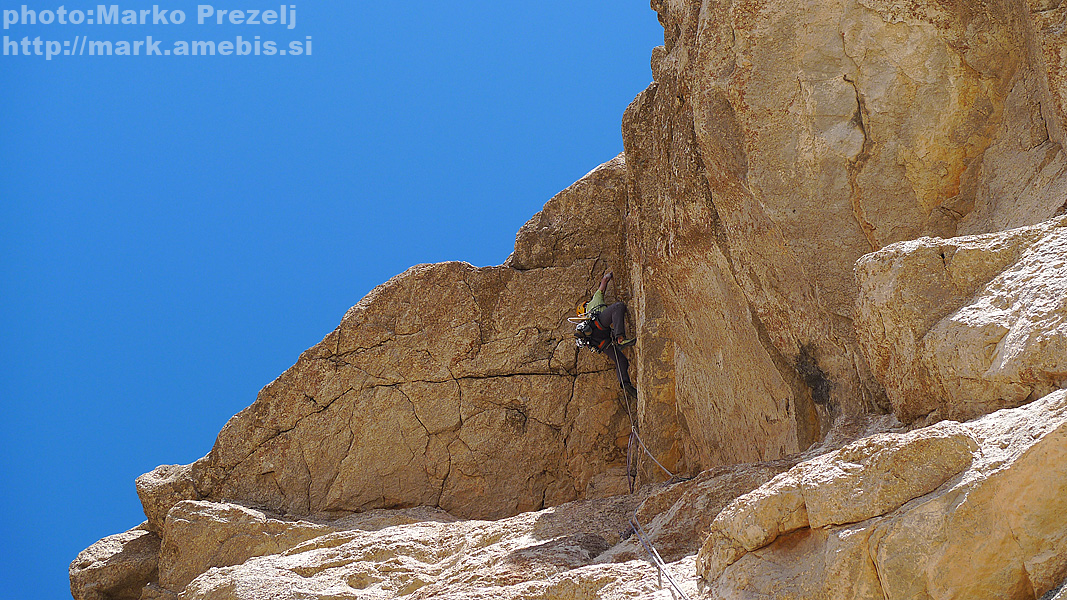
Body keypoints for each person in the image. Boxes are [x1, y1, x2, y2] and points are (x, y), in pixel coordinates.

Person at [574, 271, 638, 398]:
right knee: (618, 307)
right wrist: (610, 274)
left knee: (620, 360)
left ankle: (625, 384)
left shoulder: (585, 321)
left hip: (599, 341)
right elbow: (604, 281)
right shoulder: (595, 300)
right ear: (586, 305)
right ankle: (620, 338)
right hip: (599, 325)